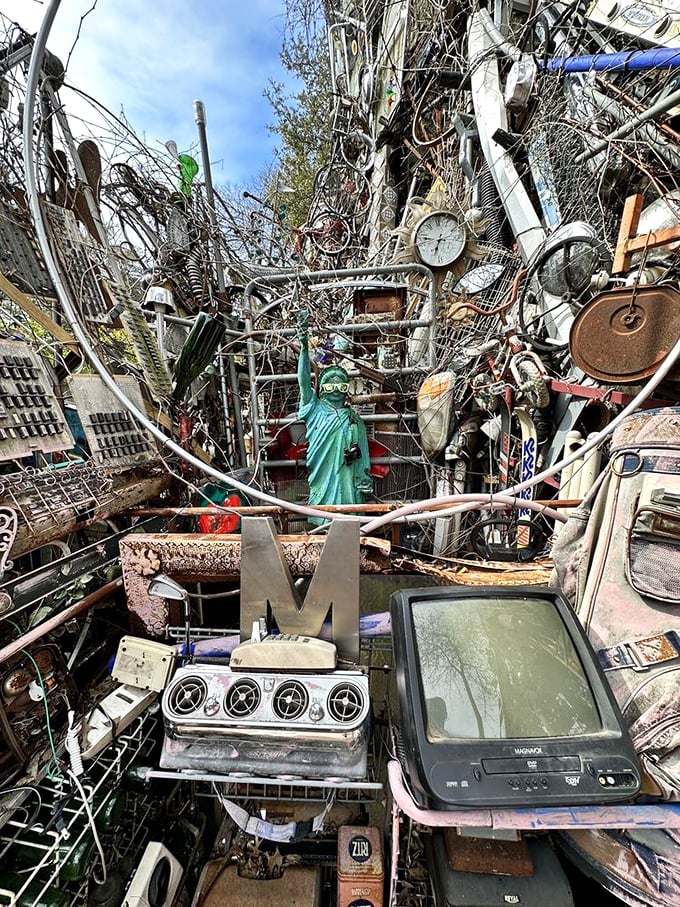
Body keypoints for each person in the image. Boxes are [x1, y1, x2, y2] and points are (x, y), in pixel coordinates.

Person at [296, 310, 373, 524]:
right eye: (330, 385)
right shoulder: (315, 409)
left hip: (349, 476)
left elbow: (363, 453)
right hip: (322, 471)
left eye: (341, 384)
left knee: (349, 515)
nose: (336, 389)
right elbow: (303, 381)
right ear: (321, 388)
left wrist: (364, 476)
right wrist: (303, 346)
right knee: (322, 512)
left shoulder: (354, 419)